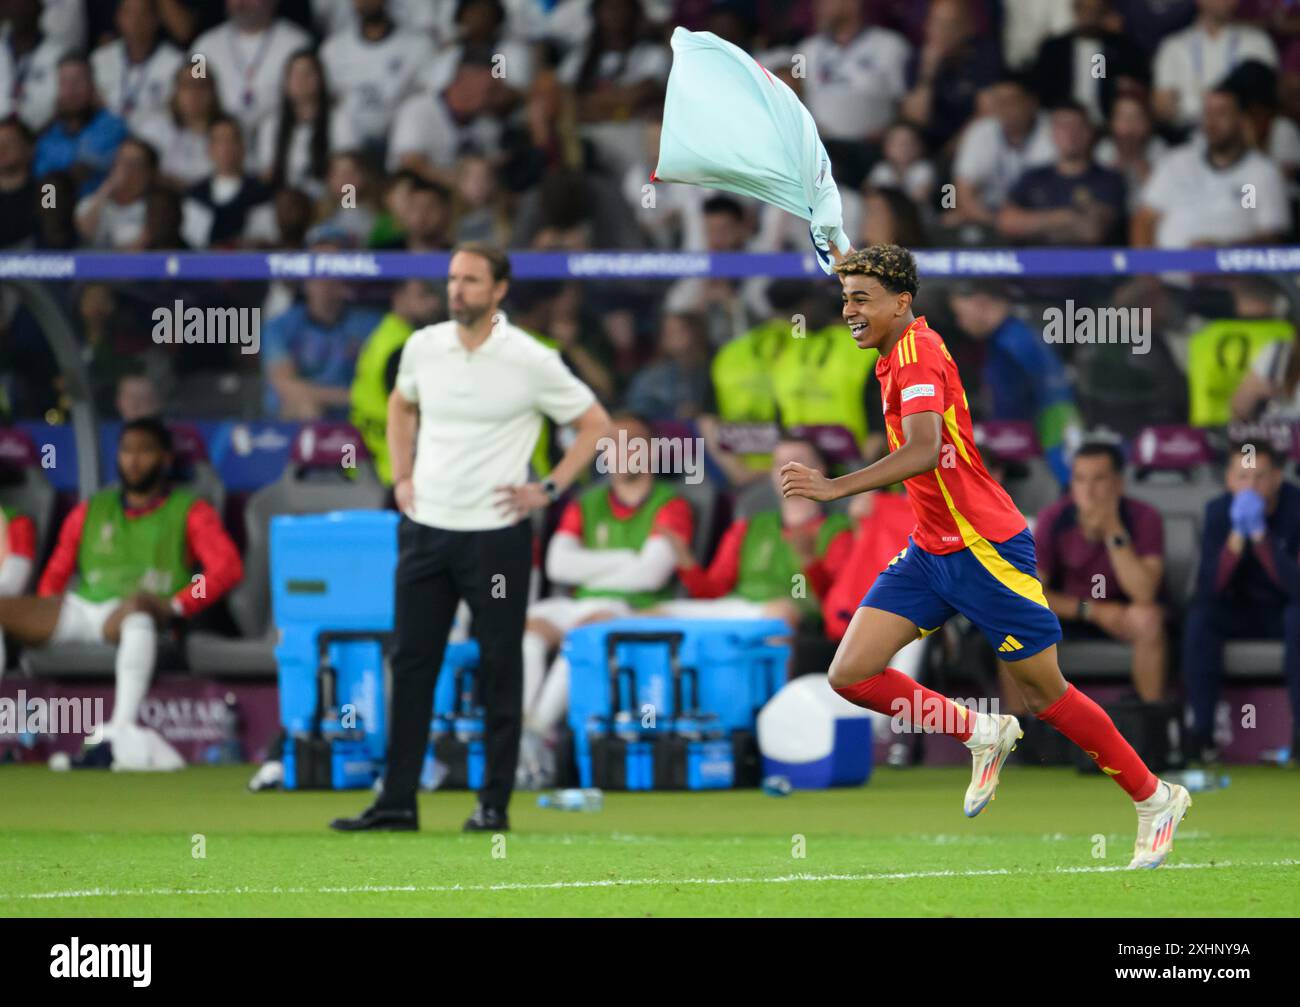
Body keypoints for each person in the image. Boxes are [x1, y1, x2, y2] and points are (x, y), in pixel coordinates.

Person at [779, 243, 1191, 869]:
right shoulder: (894, 351)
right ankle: (980, 730)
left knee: (1046, 695)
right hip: (931, 547)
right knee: (851, 673)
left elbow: (924, 449)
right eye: (844, 299)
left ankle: (1155, 797)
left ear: (902, 302)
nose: (849, 311)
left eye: (862, 299)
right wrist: (846, 256)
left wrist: (836, 487)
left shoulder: (917, 352)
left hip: (984, 547)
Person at [330, 242, 610, 833]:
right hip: (426, 528)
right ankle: (396, 802)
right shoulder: (423, 346)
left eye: (471, 280)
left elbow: (594, 425)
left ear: (499, 290)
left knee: (500, 665)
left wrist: (549, 489)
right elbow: (400, 405)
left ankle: (492, 806)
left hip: (497, 536)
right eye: (453, 278)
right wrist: (401, 476)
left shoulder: (531, 358)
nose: (457, 290)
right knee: (412, 663)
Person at [0, 418, 243, 767]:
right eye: (127, 450)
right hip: (80, 610)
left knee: (137, 610)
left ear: (166, 458)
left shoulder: (190, 510)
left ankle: (119, 730)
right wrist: (49, 601)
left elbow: (225, 568)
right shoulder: (91, 509)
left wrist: (179, 603)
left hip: (137, 614)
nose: (134, 460)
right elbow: (56, 572)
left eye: (145, 451)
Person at [519, 413, 693, 787]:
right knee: (527, 628)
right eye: (612, 444)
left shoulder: (671, 504)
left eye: (631, 444)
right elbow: (558, 566)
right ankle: (520, 733)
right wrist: (627, 558)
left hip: (636, 607)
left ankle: (540, 733)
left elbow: (650, 575)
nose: (620, 452)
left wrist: (589, 567)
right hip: (580, 603)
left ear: (652, 452)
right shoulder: (586, 502)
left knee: (582, 635)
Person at [1184, 441, 1300, 763]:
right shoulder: (1218, 511)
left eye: (1260, 477)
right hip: (1237, 609)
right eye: (1243, 477)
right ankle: (1202, 735)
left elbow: (1297, 587)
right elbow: (1208, 590)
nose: (1251, 487)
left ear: (1277, 478)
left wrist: (1261, 537)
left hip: (1284, 609)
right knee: (1201, 618)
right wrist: (1236, 537)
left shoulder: (1296, 508)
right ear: (1229, 480)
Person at [1036, 442, 1167, 702]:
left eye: (1098, 479)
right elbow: (1030, 594)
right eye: (1080, 479)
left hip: (1124, 614)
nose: (1088, 491)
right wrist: (1092, 610)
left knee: (1148, 620)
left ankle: (1149, 718)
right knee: (1014, 624)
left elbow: (1144, 592)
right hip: (1071, 613)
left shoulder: (1145, 517)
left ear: (1119, 484)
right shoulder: (1053, 518)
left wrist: (1112, 529)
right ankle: (1022, 722)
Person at [348, 278, 443, 485]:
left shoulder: (387, 334)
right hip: (393, 465)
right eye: (423, 295)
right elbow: (410, 409)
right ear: (399, 298)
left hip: (373, 455)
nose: (433, 302)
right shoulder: (400, 347)